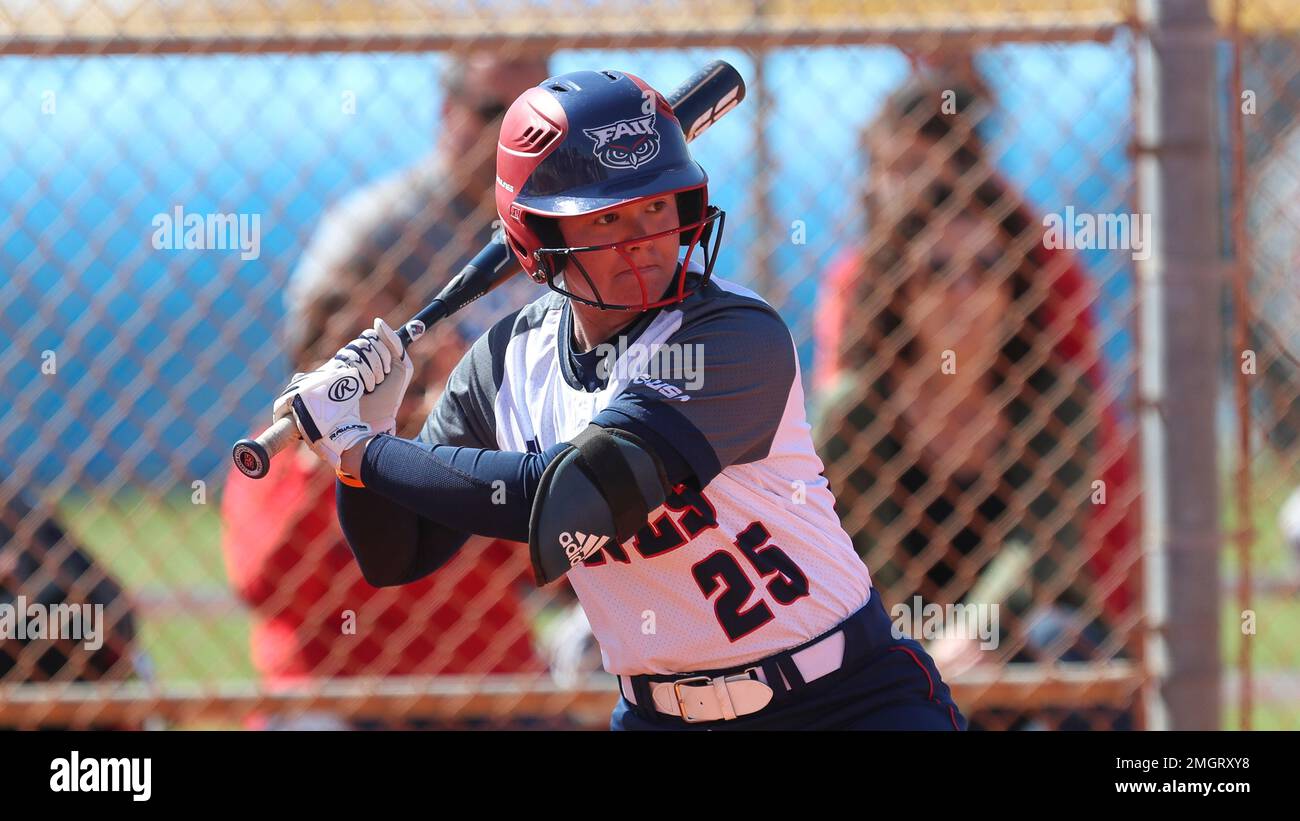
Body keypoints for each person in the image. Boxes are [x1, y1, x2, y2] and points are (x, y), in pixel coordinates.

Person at [271, 68, 967, 730]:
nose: (646, 243)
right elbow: (399, 553)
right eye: (608, 220)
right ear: (537, 237)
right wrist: (364, 442)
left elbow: (579, 496)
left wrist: (367, 449)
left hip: (843, 699)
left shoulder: (729, 335)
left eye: (658, 207)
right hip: (659, 713)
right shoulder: (505, 365)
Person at [220, 52, 553, 730]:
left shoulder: (450, 435)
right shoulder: (282, 456)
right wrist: (337, 453)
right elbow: (269, 587)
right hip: (346, 703)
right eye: (493, 113)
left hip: (485, 694)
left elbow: (533, 562)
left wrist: (461, 434)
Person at [813, 76, 1140, 728]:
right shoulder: (857, 405)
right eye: (937, 272)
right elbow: (853, 550)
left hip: (1023, 621)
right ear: (901, 289)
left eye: (986, 270)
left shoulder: (1053, 392)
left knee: (1061, 639)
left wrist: (978, 633)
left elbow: (1044, 540)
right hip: (896, 631)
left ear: (1015, 286)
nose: (963, 292)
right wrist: (918, 654)